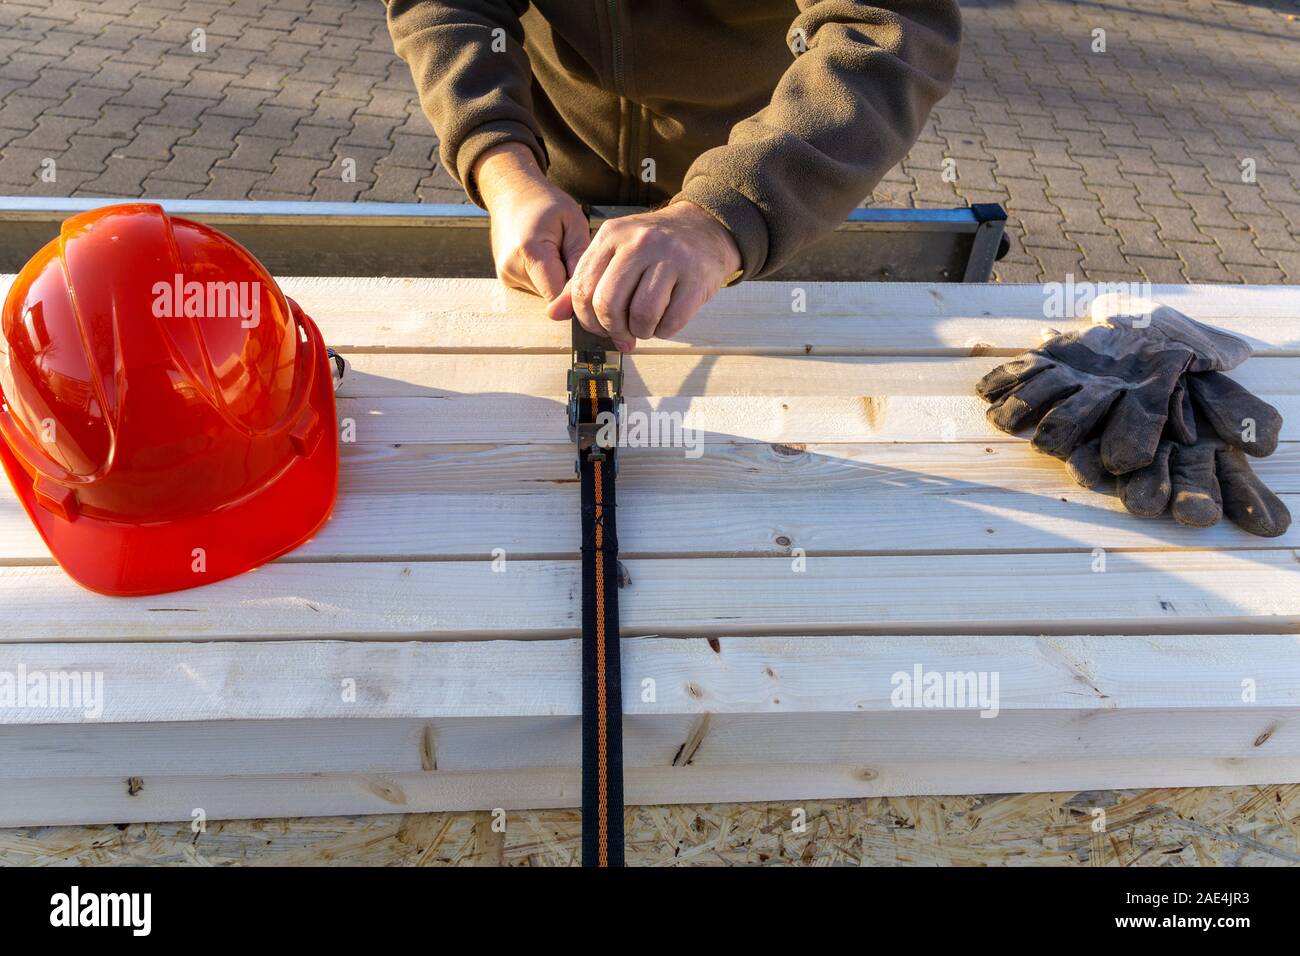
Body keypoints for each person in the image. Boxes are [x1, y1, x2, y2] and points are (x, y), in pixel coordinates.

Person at [386, 1, 961, 350]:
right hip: (553, 192)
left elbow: (890, 29)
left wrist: (724, 214)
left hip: (766, 210)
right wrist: (503, 166)